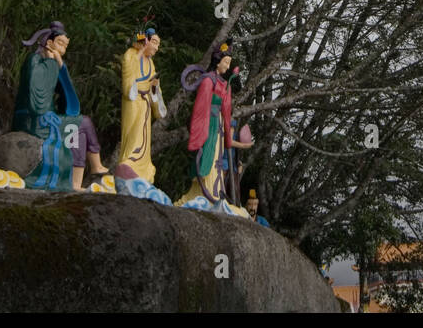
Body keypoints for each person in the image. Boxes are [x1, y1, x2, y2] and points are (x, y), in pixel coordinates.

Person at [13, 22, 108, 191]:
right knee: (83, 123)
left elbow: (68, 97)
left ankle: (76, 183)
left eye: (65, 45)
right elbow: (37, 97)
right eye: (60, 44)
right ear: (49, 43)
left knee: (79, 126)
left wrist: (61, 67)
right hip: (32, 119)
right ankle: (94, 167)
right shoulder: (34, 60)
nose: (63, 49)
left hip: (47, 116)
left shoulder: (52, 64)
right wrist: (52, 63)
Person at [176, 42, 251, 213]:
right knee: (208, 155)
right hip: (208, 123)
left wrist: (227, 133)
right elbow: (201, 107)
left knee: (218, 157)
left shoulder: (223, 83)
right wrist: (201, 129)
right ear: (217, 61)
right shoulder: (208, 80)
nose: (227, 66)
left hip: (217, 126)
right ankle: (205, 190)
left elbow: (227, 111)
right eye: (225, 62)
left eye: (229, 63)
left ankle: (216, 191)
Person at [116, 28, 165, 183]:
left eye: (158, 44)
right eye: (154, 43)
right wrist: (139, 52)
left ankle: (143, 169)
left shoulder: (151, 63)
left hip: (145, 103)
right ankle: (127, 162)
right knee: (132, 131)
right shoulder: (131, 54)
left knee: (143, 135)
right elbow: (128, 73)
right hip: (133, 98)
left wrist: (155, 86)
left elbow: (154, 88)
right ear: (146, 41)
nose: (156, 48)